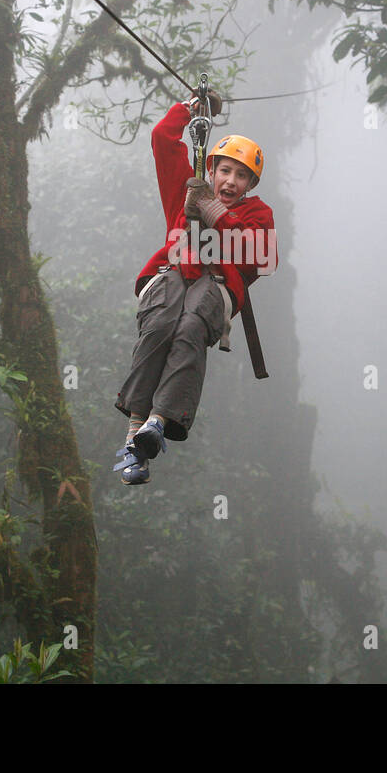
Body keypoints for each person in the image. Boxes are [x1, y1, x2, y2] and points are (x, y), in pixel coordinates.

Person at [111, 92, 277, 485]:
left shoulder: (256, 214)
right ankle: (135, 442)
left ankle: (157, 420)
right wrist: (190, 109)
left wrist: (212, 211)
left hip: (215, 285)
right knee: (159, 327)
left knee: (188, 329)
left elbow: (261, 257)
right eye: (225, 171)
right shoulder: (187, 188)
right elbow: (162, 140)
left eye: (241, 176)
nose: (231, 181)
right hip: (171, 275)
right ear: (213, 168)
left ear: (250, 184)